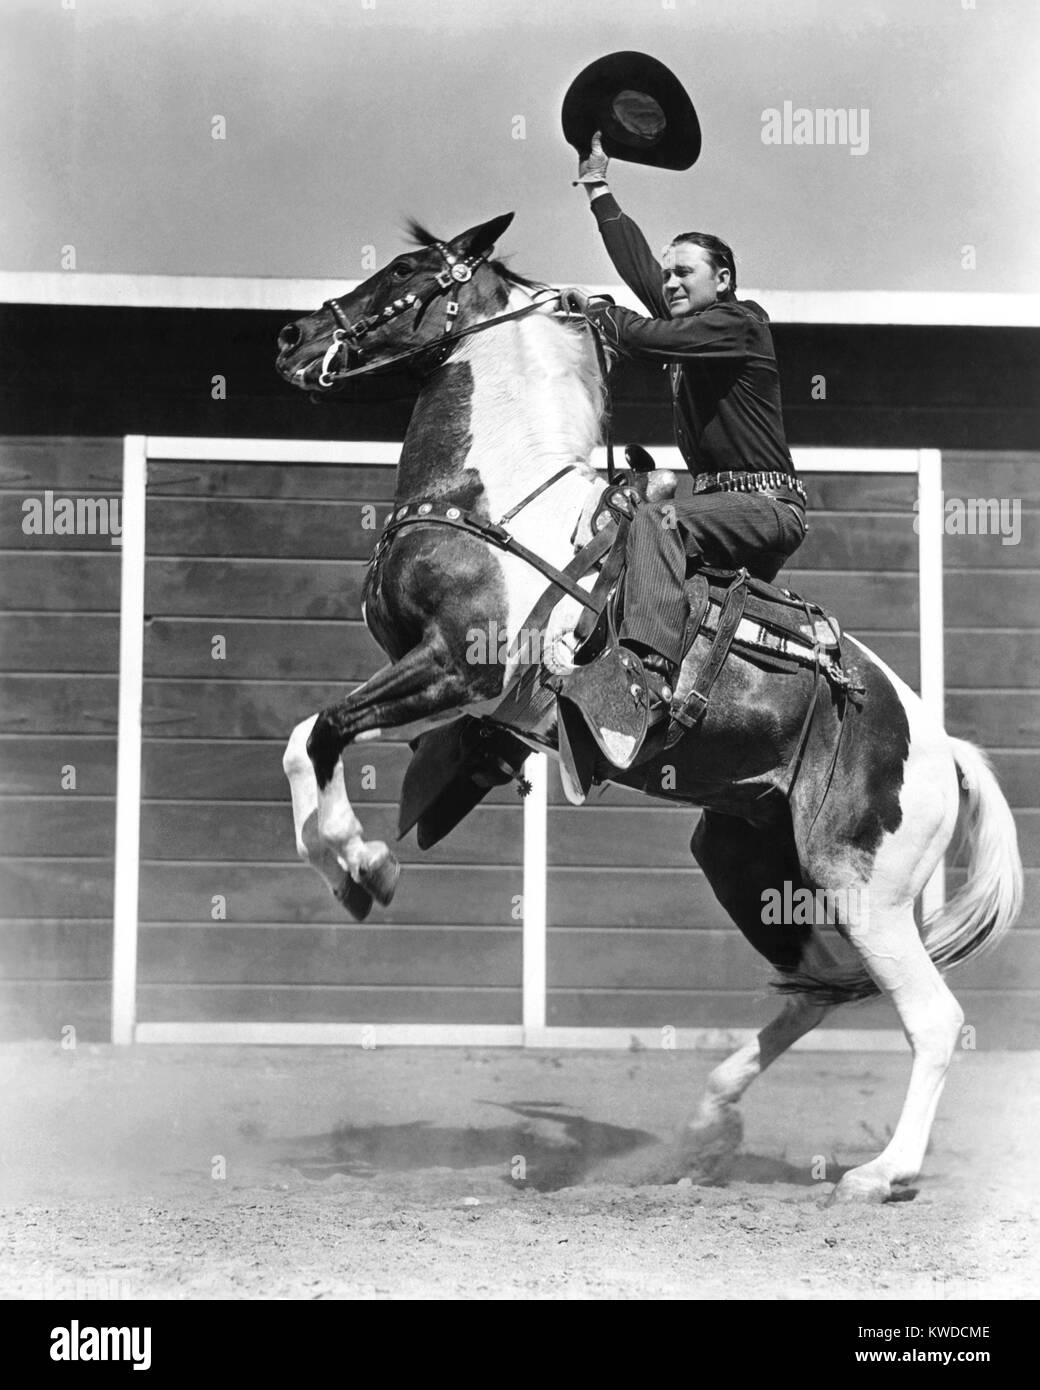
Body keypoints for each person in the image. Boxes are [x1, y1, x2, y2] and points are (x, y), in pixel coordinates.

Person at [562, 133, 808, 743]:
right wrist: (599, 188)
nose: (669, 281)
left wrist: (598, 312)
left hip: (767, 511)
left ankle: (644, 678)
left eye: (685, 272)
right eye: (668, 274)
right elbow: (640, 266)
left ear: (722, 279)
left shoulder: (740, 322)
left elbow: (646, 336)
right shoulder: (692, 315)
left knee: (658, 522)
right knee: (623, 531)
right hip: (728, 509)